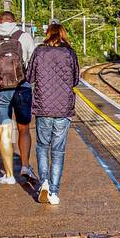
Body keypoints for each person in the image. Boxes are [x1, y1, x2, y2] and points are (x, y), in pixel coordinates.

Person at [0, 11, 36, 185]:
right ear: (14, 22)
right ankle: (25, 166)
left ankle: (9, 175)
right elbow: (33, 63)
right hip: (22, 88)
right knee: (24, 128)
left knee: (5, 131)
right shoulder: (24, 36)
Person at [29, 22, 81, 206]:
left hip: (43, 106)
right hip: (63, 108)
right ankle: (53, 192)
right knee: (58, 151)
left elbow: (29, 77)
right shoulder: (70, 53)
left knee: (42, 146)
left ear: (48, 34)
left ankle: (43, 182)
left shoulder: (39, 51)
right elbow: (76, 80)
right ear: (63, 35)